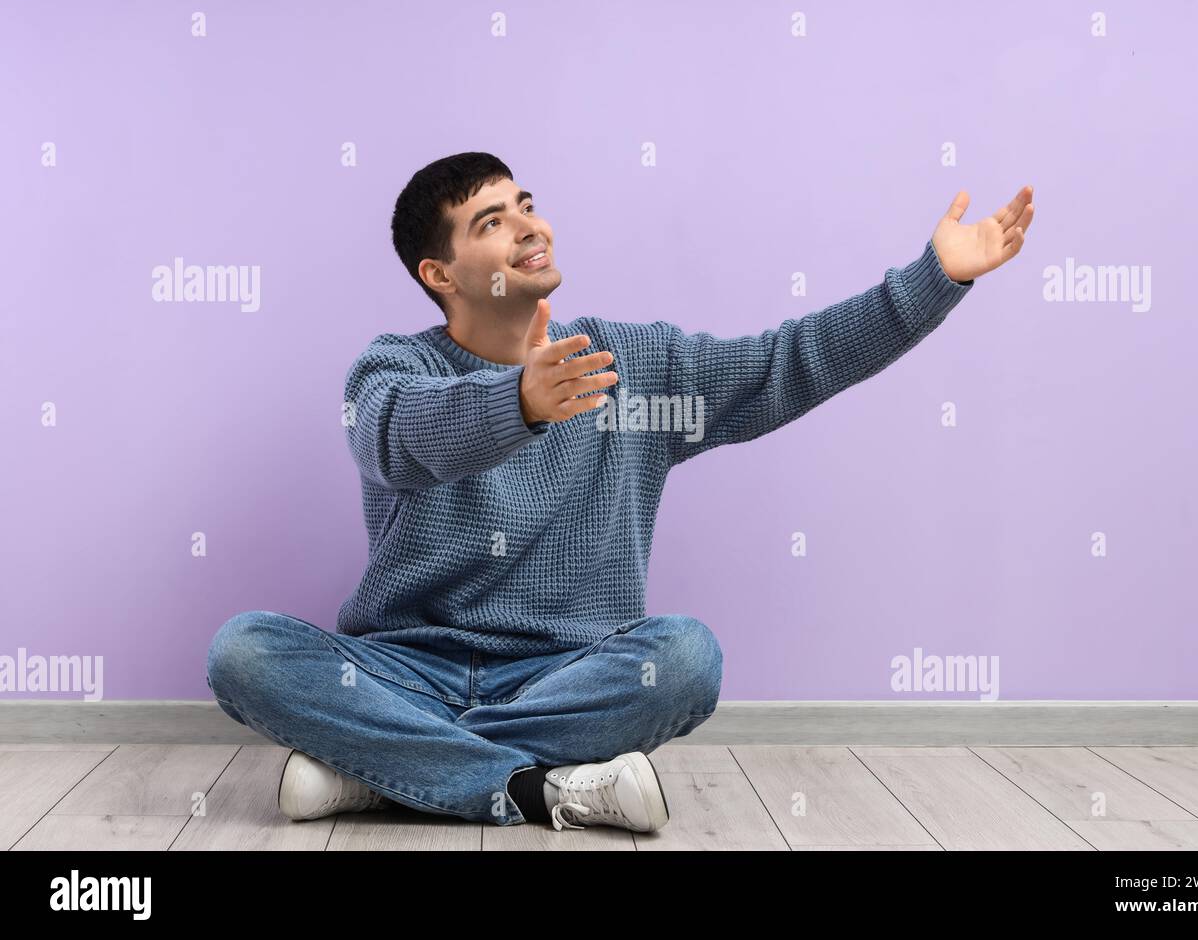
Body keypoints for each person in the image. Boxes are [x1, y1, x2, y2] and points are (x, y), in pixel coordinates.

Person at [205, 152, 1034, 833]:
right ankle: (541, 788)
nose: (529, 225)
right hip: (404, 671)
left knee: (686, 659)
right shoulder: (393, 368)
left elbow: (786, 365)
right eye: (491, 222)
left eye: (525, 204)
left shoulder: (627, 368)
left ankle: (386, 772)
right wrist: (518, 403)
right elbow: (399, 439)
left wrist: (933, 283)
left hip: (567, 673)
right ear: (441, 273)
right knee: (244, 650)